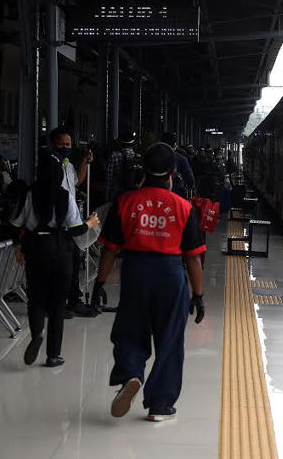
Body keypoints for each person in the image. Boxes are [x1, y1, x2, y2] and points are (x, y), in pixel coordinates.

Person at [93, 142, 205, 422]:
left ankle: (131, 373)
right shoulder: (184, 207)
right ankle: (160, 404)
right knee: (170, 338)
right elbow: (192, 258)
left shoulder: (125, 202)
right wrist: (198, 294)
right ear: (172, 172)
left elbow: (109, 249)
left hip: (135, 270)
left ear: (143, 168)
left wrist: (99, 283)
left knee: (130, 329)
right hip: (170, 273)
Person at [10, 150, 100, 367]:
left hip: (36, 252)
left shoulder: (29, 194)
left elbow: (14, 224)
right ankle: (53, 356)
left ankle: (37, 333)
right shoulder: (64, 195)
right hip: (61, 253)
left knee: (36, 299)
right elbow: (76, 229)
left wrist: (17, 247)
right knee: (58, 305)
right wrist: (91, 222)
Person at [48, 127, 97, 317]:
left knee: (74, 262)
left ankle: (73, 300)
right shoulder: (50, 166)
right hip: (56, 224)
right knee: (59, 267)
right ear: (53, 144)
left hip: (71, 222)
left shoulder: (67, 165)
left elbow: (77, 181)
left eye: (68, 144)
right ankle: (56, 304)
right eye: (62, 144)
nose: (66, 147)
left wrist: (84, 162)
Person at [104, 131, 139, 201]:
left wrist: (106, 193)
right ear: (132, 143)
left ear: (121, 143)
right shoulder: (137, 157)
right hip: (133, 193)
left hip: (117, 192)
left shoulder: (114, 155)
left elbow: (109, 177)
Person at [160, 132, 195, 198]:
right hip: (175, 195)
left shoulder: (153, 157)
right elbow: (190, 179)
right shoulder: (181, 159)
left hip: (153, 195)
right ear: (174, 144)